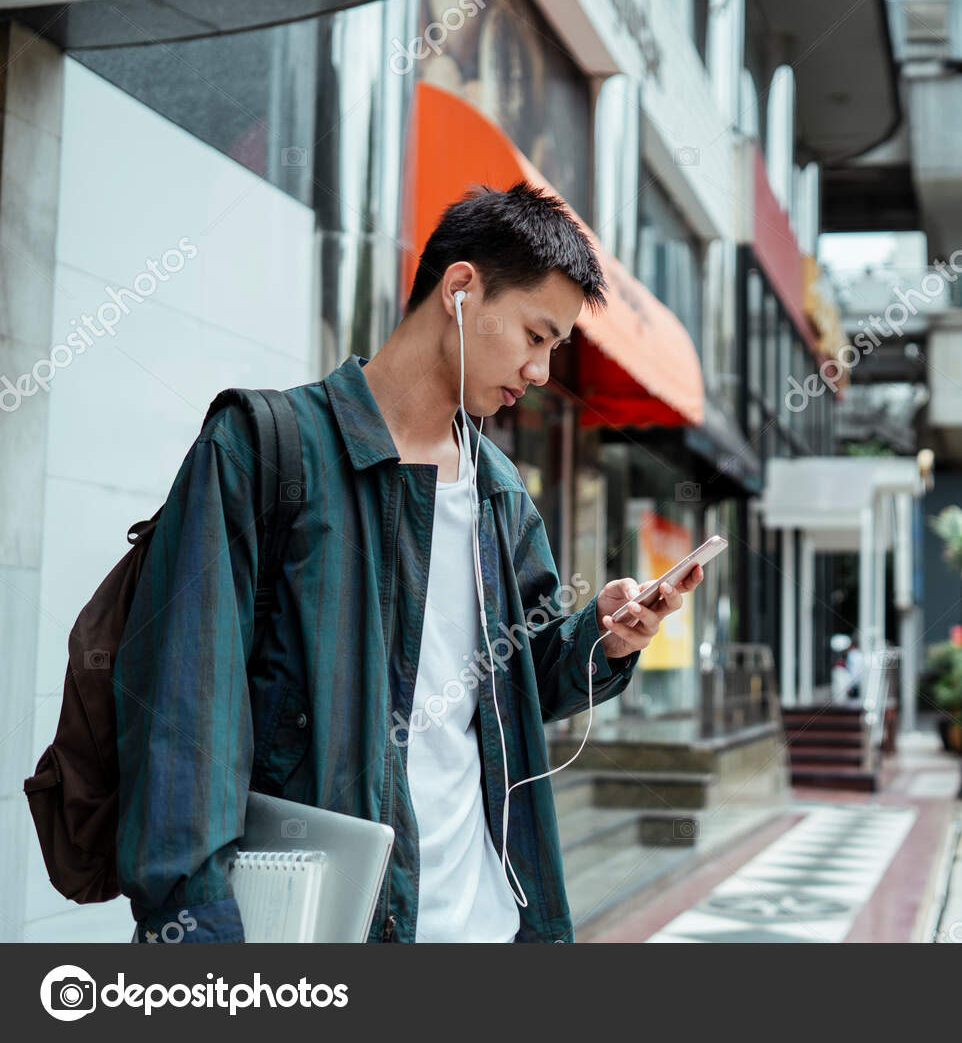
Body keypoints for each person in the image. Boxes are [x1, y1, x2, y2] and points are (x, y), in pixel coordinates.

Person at [113, 181, 703, 943]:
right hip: (329, 928)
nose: (540, 371)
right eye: (535, 334)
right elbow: (183, 716)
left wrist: (602, 636)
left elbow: (520, 680)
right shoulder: (264, 450)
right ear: (461, 289)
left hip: (492, 925)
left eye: (553, 349)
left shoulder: (498, 492)